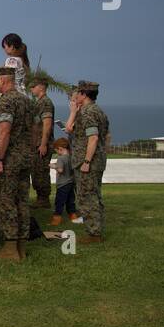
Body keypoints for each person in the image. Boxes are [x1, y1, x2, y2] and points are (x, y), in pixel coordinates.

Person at [0, 65, 33, 260]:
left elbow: (4, 131)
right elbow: (34, 131)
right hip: (25, 158)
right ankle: (21, 246)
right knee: (22, 200)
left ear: (3, 80)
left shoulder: (6, 102)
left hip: (9, 160)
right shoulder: (26, 100)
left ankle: (10, 247)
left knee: (5, 201)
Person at [65, 80, 109, 242]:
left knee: (87, 197)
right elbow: (69, 128)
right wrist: (73, 112)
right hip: (96, 160)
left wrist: (87, 161)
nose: (74, 97)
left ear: (84, 95)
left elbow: (94, 137)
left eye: (77, 94)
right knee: (94, 195)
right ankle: (95, 229)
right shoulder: (96, 111)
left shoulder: (88, 113)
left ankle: (94, 234)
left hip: (88, 162)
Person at [28, 76, 55, 208]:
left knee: (41, 172)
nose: (31, 89)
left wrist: (43, 144)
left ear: (41, 87)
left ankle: (43, 199)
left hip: (41, 144)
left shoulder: (45, 103)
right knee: (36, 172)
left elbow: (47, 124)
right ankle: (41, 198)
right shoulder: (39, 102)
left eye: (33, 86)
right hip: (36, 144)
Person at [49, 138, 77, 226]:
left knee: (59, 202)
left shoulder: (61, 158)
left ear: (60, 149)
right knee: (70, 201)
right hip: (71, 183)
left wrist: (53, 166)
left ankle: (56, 219)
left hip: (62, 184)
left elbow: (60, 170)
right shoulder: (71, 157)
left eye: (57, 151)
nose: (57, 153)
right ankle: (73, 216)